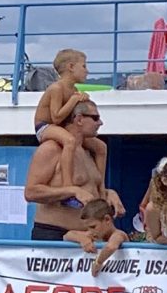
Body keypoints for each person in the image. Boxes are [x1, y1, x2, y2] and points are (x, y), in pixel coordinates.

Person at [23, 100, 119, 242]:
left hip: (88, 236)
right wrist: (72, 191)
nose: (100, 123)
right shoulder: (51, 149)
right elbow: (31, 192)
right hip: (55, 233)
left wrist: (108, 194)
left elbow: (89, 190)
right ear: (79, 119)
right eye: (95, 118)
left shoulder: (88, 151)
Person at [31, 48, 91, 190]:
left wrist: (83, 99)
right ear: (71, 67)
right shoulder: (57, 88)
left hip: (59, 126)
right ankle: (67, 185)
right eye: (83, 66)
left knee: (101, 147)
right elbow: (56, 117)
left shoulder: (74, 90)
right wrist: (74, 100)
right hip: (45, 127)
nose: (87, 71)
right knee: (69, 141)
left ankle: (100, 187)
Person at [67, 198, 126, 275]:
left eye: (93, 227)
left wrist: (98, 262)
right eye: (88, 228)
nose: (91, 231)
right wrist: (82, 240)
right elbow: (67, 235)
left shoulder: (119, 234)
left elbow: (111, 246)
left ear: (107, 219)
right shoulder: (93, 235)